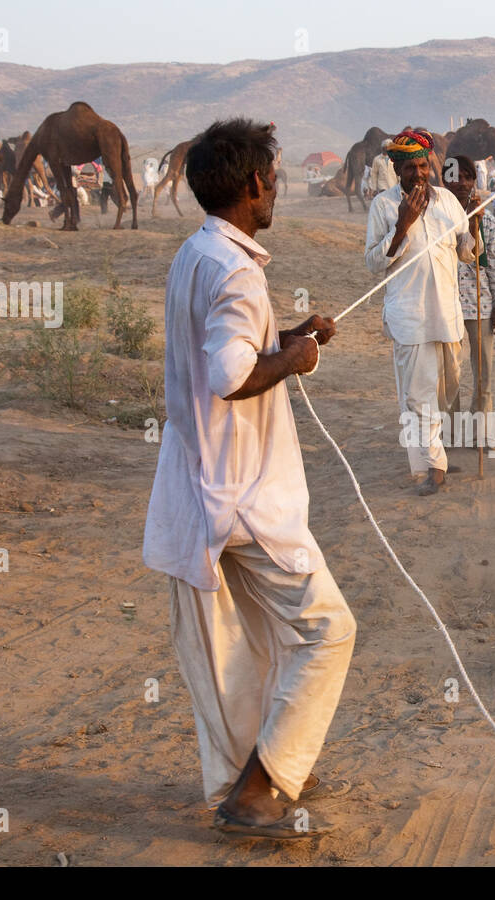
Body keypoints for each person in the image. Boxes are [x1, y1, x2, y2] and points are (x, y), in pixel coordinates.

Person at [142, 117, 356, 839]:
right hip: (242, 495)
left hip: (199, 485)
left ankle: (265, 771)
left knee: (251, 643)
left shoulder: (199, 253)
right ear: (255, 184)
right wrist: (289, 359)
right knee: (328, 631)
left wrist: (289, 336)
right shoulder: (235, 270)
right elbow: (233, 375)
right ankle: (259, 792)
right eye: (274, 176)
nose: (278, 188)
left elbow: (220, 352)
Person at [365, 130, 478, 495]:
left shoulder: (447, 200)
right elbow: (371, 263)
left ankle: (434, 457)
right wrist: (402, 225)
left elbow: (466, 253)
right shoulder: (383, 206)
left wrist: (472, 233)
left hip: (447, 316)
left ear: (430, 165)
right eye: (409, 167)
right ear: (397, 169)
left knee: (445, 391)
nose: (418, 173)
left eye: (422, 165)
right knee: (418, 397)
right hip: (409, 318)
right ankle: (434, 467)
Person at [445, 154, 495, 427]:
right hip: (445, 306)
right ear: (444, 180)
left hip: (479, 305)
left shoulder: (488, 220)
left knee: (483, 372)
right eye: (454, 176)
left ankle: (480, 429)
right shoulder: (437, 220)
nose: (460, 182)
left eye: (466, 177)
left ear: (473, 181)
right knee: (450, 373)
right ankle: (451, 429)